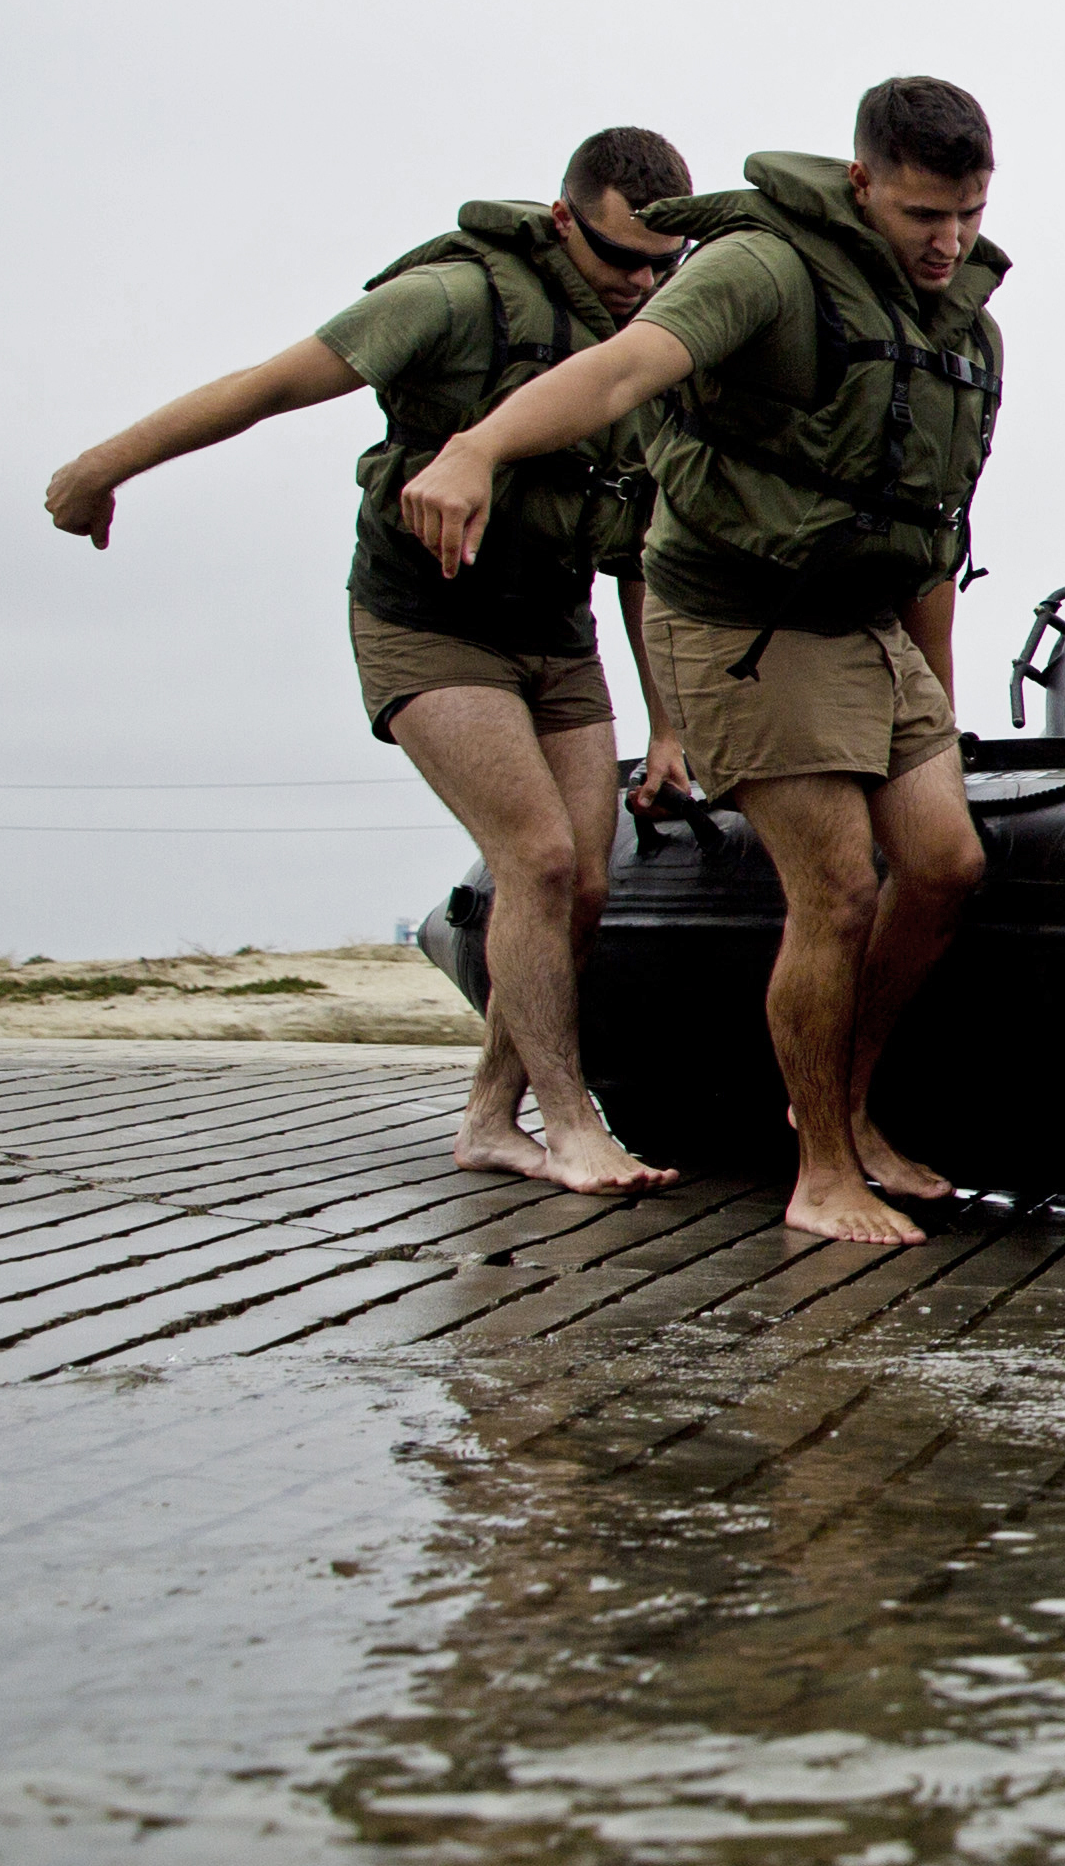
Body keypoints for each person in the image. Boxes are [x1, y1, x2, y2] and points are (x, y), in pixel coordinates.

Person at [400, 77, 1009, 1248]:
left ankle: (841, 1098)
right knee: (835, 889)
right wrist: (475, 447)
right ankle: (820, 1168)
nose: (951, 241)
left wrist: (938, 694)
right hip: (745, 621)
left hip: (869, 625)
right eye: (926, 214)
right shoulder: (764, 271)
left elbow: (933, 522)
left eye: (970, 214)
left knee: (943, 864)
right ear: (861, 181)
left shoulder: (963, 329)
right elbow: (622, 373)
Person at [37, 129, 703, 1196]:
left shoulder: (650, 344)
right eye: (618, 258)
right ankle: (573, 1123)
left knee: (583, 881)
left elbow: (642, 554)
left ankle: (492, 1118)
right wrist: (100, 466)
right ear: (563, 219)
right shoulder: (451, 297)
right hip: (426, 621)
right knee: (530, 858)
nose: (638, 284)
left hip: (556, 634)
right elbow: (270, 385)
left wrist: (668, 719)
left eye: (658, 265)